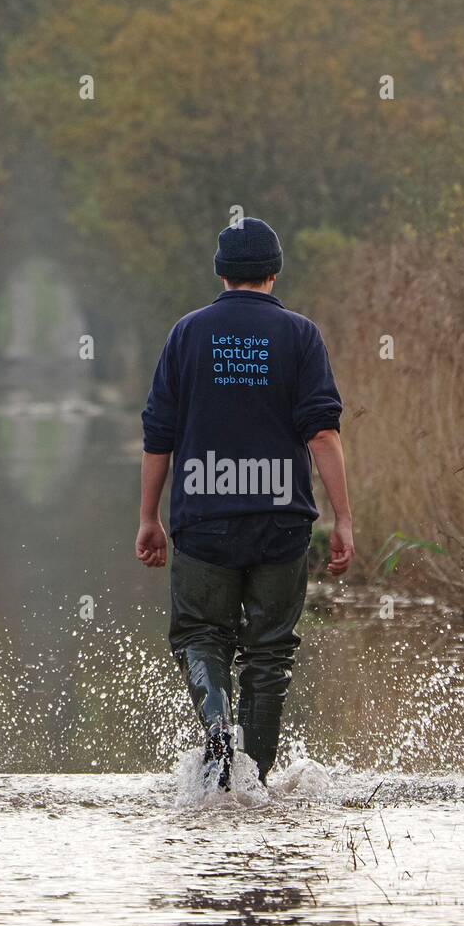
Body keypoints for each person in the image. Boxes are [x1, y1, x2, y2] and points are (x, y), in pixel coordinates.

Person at [137, 218, 354, 789]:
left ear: (221, 272)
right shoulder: (301, 335)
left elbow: (158, 433)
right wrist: (342, 519)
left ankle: (216, 729)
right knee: (269, 655)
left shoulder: (187, 334)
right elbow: (323, 434)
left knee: (200, 636)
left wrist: (148, 518)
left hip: (204, 519)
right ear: (273, 272)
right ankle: (252, 782)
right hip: (282, 522)